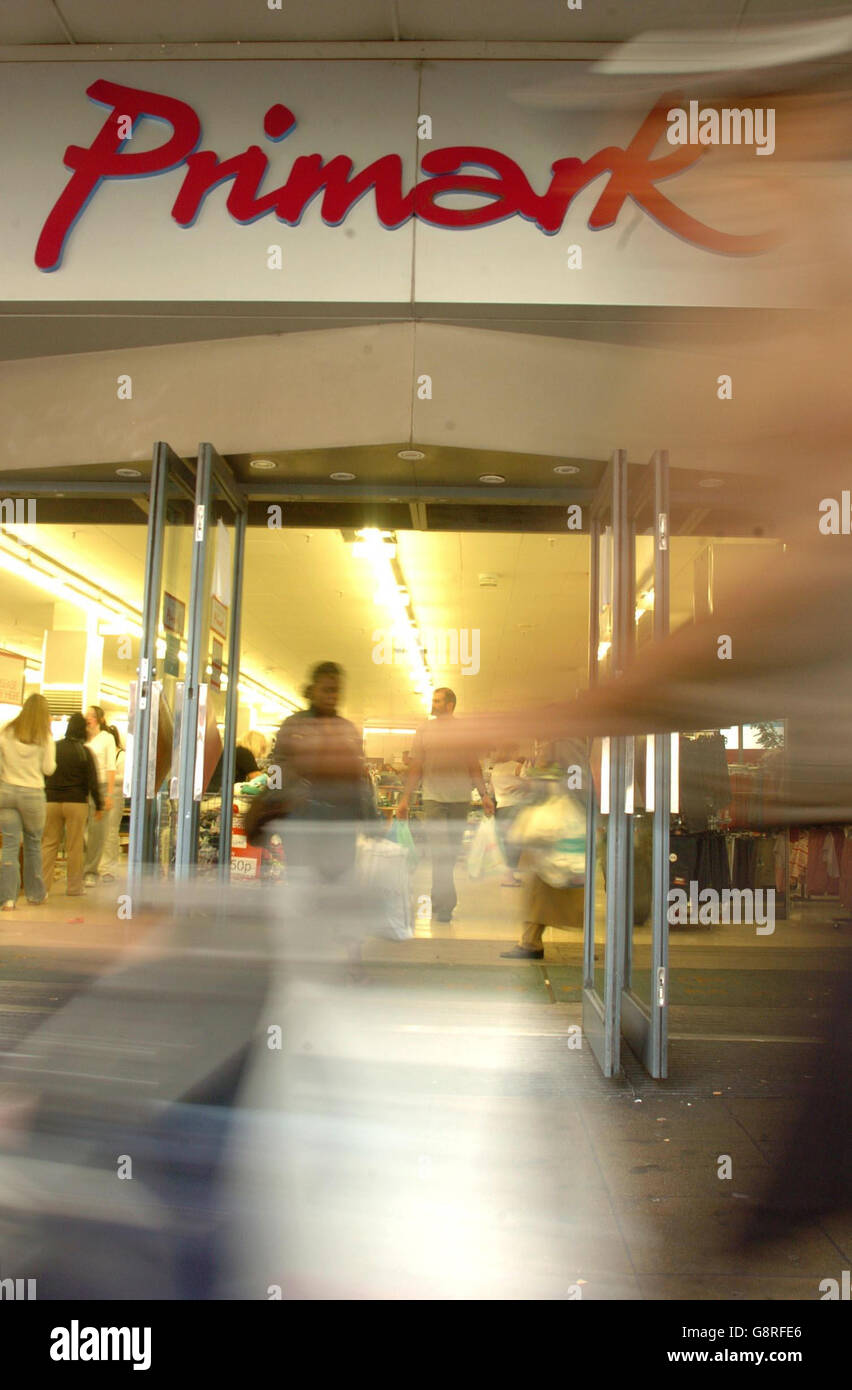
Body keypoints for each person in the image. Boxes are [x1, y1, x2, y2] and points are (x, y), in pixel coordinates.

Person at [396, 688, 494, 924]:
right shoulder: (424, 730)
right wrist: (405, 798)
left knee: (448, 855)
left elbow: (473, 766)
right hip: (433, 800)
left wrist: (484, 795)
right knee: (441, 852)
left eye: (438, 701)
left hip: (460, 800)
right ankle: (444, 905)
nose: (434, 704)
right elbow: (416, 766)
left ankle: (441, 902)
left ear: (450, 705)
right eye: (433, 700)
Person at [0, 693, 56, 910]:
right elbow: (48, 769)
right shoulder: (45, 737)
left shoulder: (6, 730)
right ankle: (35, 894)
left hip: (6, 791)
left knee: (10, 845)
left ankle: (7, 898)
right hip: (32, 793)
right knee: (33, 843)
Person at [42, 713, 103, 897]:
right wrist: (99, 806)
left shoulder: (54, 747)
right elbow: (93, 781)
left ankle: (42, 889)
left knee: (49, 844)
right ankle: (75, 888)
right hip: (76, 803)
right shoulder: (84, 752)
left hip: (51, 801)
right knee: (74, 846)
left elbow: (44, 772)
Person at [82, 706, 116, 884]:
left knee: (97, 831)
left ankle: (91, 871)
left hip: (101, 786)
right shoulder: (81, 738)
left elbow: (111, 766)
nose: (89, 719)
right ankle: (82, 867)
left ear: (100, 719)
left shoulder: (106, 738)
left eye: (92, 716)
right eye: (87, 715)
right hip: (81, 787)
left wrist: (109, 794)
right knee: (79, 831)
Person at [490, 745, 532, 887]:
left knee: (506, 843)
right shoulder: (518, 767)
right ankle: (508, 877)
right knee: (515, 844)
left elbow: (491, 790)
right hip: (516, 808)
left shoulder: (495, 769)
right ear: (512, 751)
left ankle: (508, 875)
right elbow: (531, 784)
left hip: (501, 808)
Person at [97, 725, 126, 883]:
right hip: (100, 797)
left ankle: (109, 868)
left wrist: (107, 778)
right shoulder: (103, 756)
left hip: (115, 798)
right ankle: (100, 866)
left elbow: (125, 778)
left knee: (110, 832)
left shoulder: (121, 756)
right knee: (98, 832)